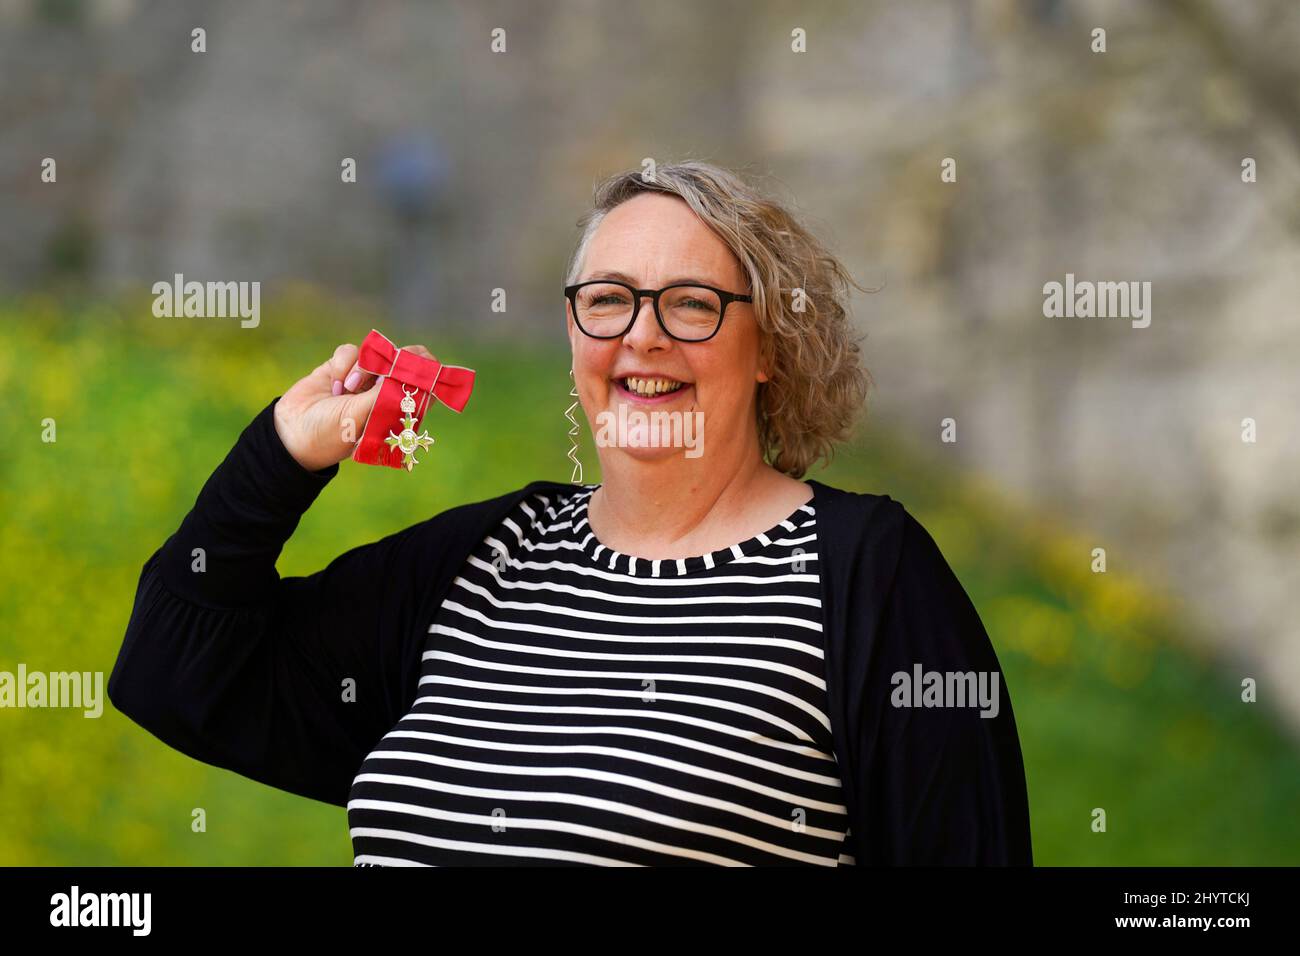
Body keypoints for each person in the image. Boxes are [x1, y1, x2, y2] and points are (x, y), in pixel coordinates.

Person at [109, 161, 1033, 866]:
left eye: (692, 305)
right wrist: (280, 452)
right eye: (607, 301)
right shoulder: (483, 562)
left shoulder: (869, 578)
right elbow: (174, 670)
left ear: (770, 347)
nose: (641, 335)